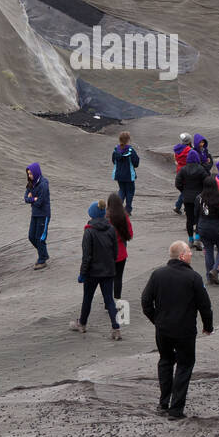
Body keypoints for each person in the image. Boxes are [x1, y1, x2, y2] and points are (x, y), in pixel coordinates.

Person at [141, 241, 214, 420]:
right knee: (185, 365)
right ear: (182, 256)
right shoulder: (194, 278)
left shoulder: (157, 275)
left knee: (165, 362)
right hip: (185, 331)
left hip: (163, 329)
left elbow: (145, 302)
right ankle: (176, 409)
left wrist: (157, 320)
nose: (191, 254)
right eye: (189, 252)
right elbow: (205, 306)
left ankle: (164, 402)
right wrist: (208, 326)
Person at [71, 201, 121, 339]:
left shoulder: (89, 231)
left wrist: (82, 273)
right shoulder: (111, 229)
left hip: (92, 272)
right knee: (109, 300)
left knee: (87, 298)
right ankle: (116, 329)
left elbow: (86, 256)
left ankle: (82, 323)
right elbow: (115, 251)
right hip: (108, 271)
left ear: (91, 214)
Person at [196, 174, 219, 285]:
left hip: (203, 227)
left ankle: (209, 276)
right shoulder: (218, 199)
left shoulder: (199, 198)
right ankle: (216, 269)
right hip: (217, 227)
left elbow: (196, 214)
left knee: (208, 250)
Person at [175, 147, 209, 250]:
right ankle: (198, 239)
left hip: (187, 198)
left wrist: (183, 191)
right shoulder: (201, 169)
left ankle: (190, 240)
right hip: (199, 198)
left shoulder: (183, 169)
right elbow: (207, 182)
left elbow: (177, 183)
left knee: (189, 219)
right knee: (199, 218)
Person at [106, 191, 132, 300]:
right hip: (121, 252)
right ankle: (117, 300)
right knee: (118, 277)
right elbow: (130, 234)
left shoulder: (106, 217)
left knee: (107, 278)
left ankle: (108, 302)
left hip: (107, 253)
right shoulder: (124, 217)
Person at [24, 163, 51, 270]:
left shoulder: (43, 184)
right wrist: (33, 199)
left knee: (40, 238)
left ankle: (42, 260)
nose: (29, 176)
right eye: (28, 174)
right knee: (31, 237)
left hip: (43, 214)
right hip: (35, 214)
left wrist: (33, 198)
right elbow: (26, 198)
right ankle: (44, 254)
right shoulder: (31, 183)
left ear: (35, 172)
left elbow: (40, 202)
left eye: (30, 173)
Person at [111, 132, 140, 214]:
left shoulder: (116, 150)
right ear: (128, 140)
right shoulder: (131, 150)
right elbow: (136, 163)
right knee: (130, 191)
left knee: (122, 190)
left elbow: (114, 161)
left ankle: (117, 208)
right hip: (129, 175)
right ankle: (128, 210)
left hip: (119, 174)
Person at [172, 133, 193, 214]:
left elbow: (175, 160)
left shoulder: (177, 149)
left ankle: (180, 206)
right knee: (187, 190)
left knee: (185, 190)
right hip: (187, 171)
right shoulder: (190, 150)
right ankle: (178, 206)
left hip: (179, 170)